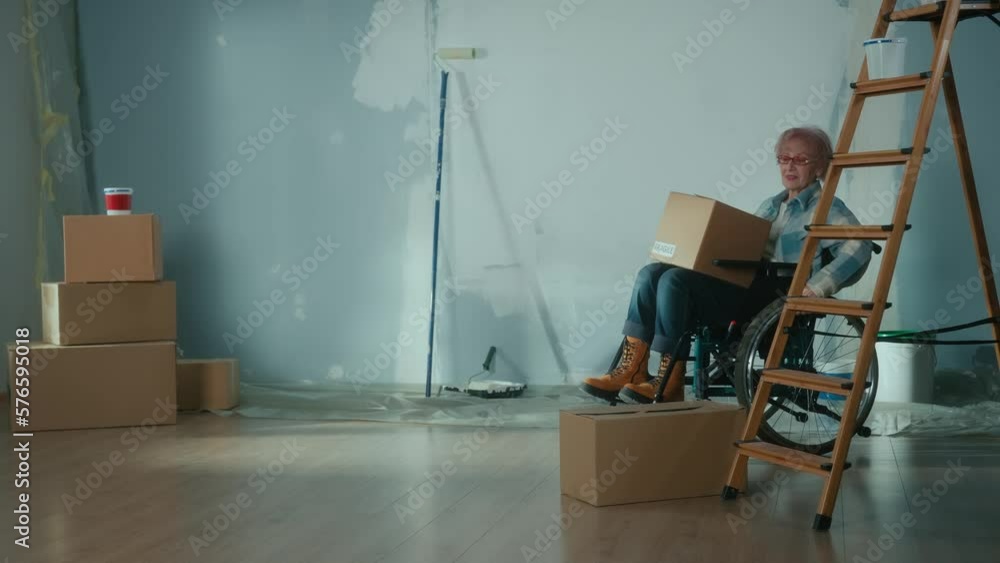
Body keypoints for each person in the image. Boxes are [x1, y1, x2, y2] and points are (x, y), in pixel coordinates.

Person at [581, 126, 874, 403]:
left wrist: (817, 286)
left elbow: (860, 247)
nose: (789, 166)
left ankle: (669, 380)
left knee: (675, 282)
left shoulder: (827, 209)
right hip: (744, 284)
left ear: (820, 167)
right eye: (784, 158)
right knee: (652, 272)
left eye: (800, 159)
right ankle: (631, 368)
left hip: (774, 295)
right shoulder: (771, 205)